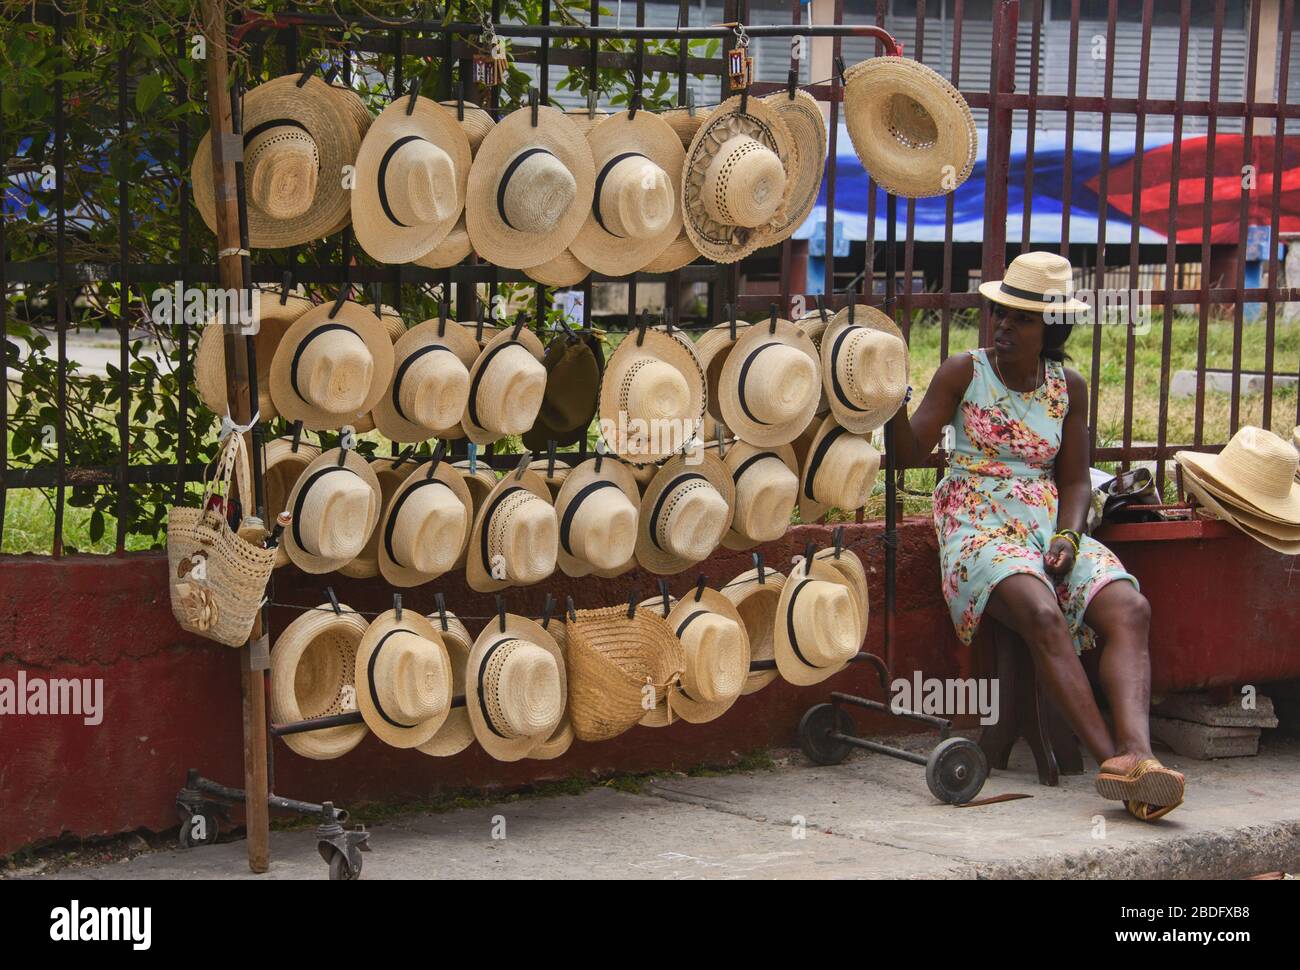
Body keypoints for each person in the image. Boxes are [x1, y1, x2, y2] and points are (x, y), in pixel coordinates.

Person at [888, 251, 1185, 821]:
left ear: (1052, 326)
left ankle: (1142, 757)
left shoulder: (1067, 386)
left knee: (1130, 607)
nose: (1003, 326)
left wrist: (1070, 539)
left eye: (1021, 318)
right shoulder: (962, 373)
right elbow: (904, 455)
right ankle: (1116, 770)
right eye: (1000, 313)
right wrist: (893, 399)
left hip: (1047, 526)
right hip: (974, 527)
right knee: (1044, 613)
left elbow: (1075, 480)